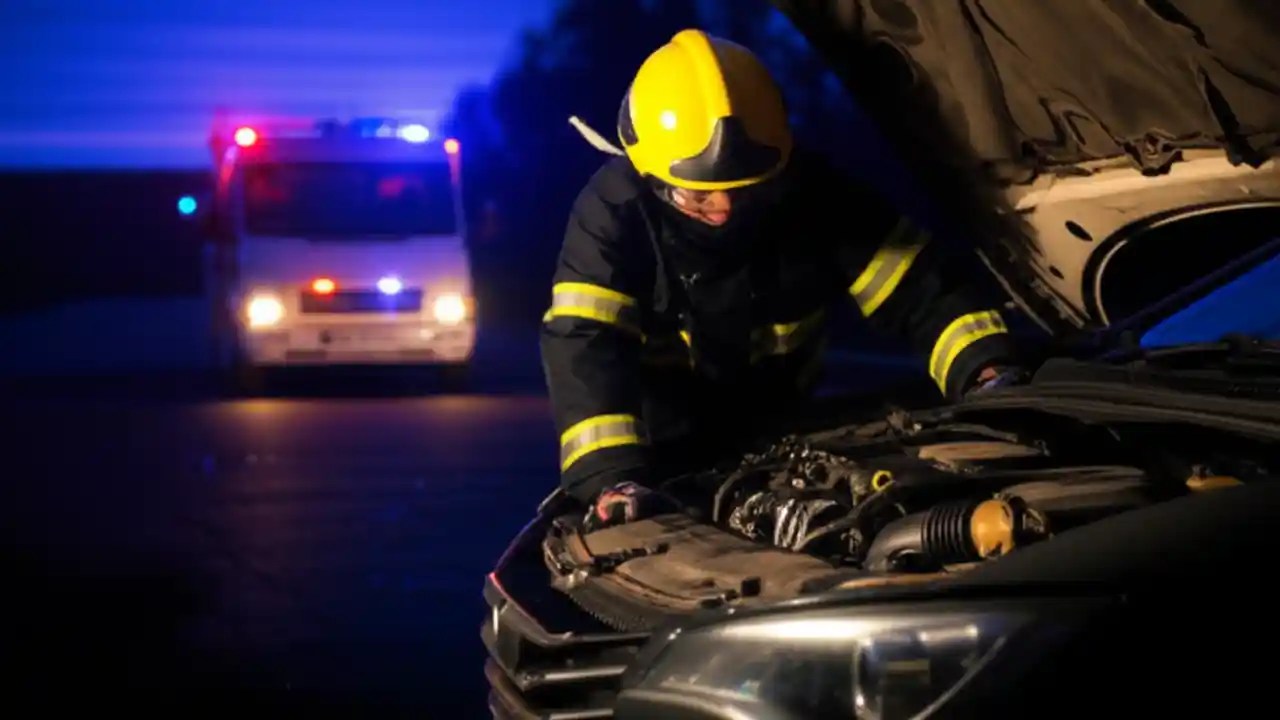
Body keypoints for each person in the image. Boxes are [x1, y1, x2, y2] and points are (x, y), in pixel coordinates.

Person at [541, 29, 1027, 529]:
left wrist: (987, 374)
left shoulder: (815, 194)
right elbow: (585, 342)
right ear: (650, 174)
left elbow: (921, 287)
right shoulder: (612, 213)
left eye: (745, 190)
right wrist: (612, 479)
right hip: (662, 453)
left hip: (785, 430)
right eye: (699, 196)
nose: (725, 209)